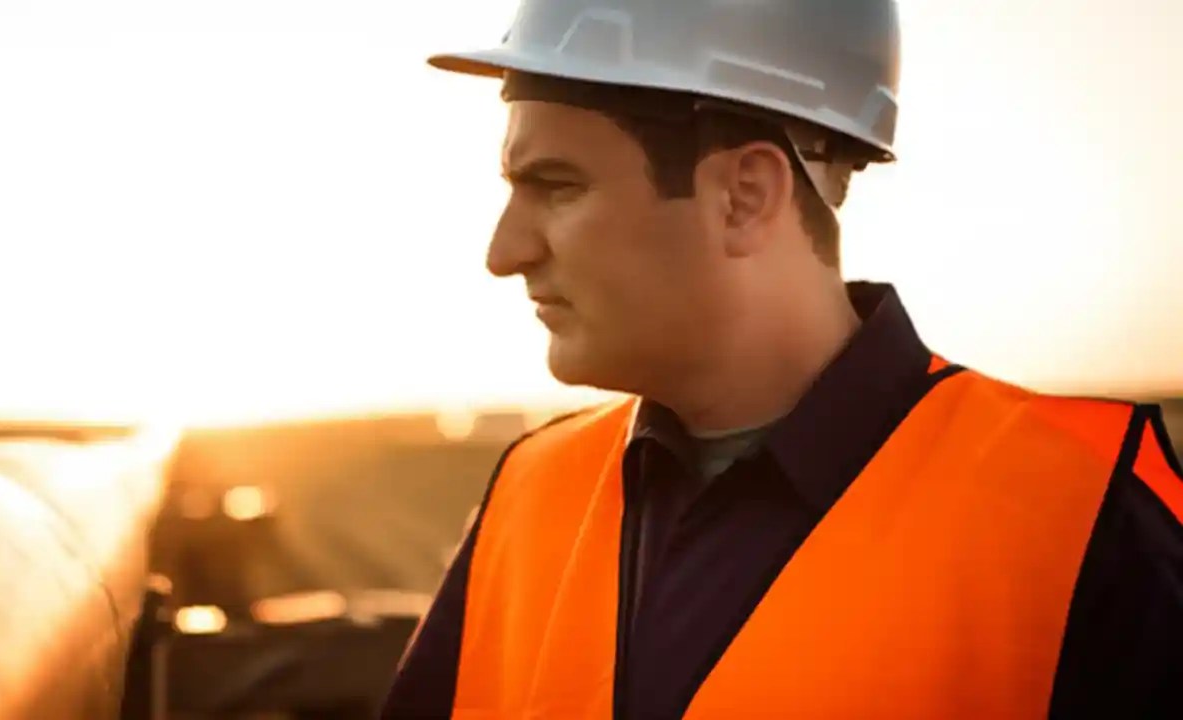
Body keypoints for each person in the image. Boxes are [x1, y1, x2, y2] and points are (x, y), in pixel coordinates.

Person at [382, 1, 1183, 717]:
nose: (504, 252)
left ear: (747, 195)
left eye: (557, 186)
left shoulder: (1083, 522)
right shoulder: (528, 497)